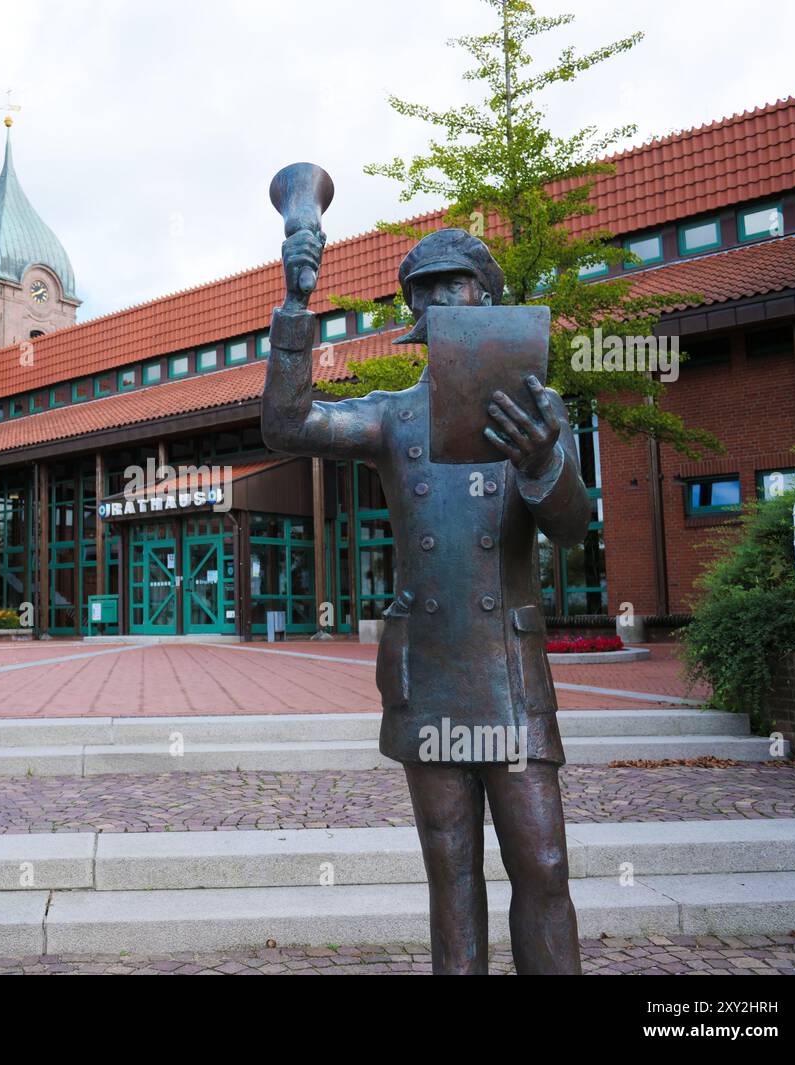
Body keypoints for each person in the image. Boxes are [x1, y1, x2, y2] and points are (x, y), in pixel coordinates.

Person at [261, 226, 590, 975]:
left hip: (508, 677)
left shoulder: (534, 415)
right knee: (451, 875)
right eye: (426, 288)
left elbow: (573, 527)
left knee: (543, 863)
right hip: (432, 674)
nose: (440, 298)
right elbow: (288, 424)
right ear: (414, 313)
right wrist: (294, 306)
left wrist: (542, 458)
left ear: (486, 297)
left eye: (455, 284)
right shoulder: (391, 415)